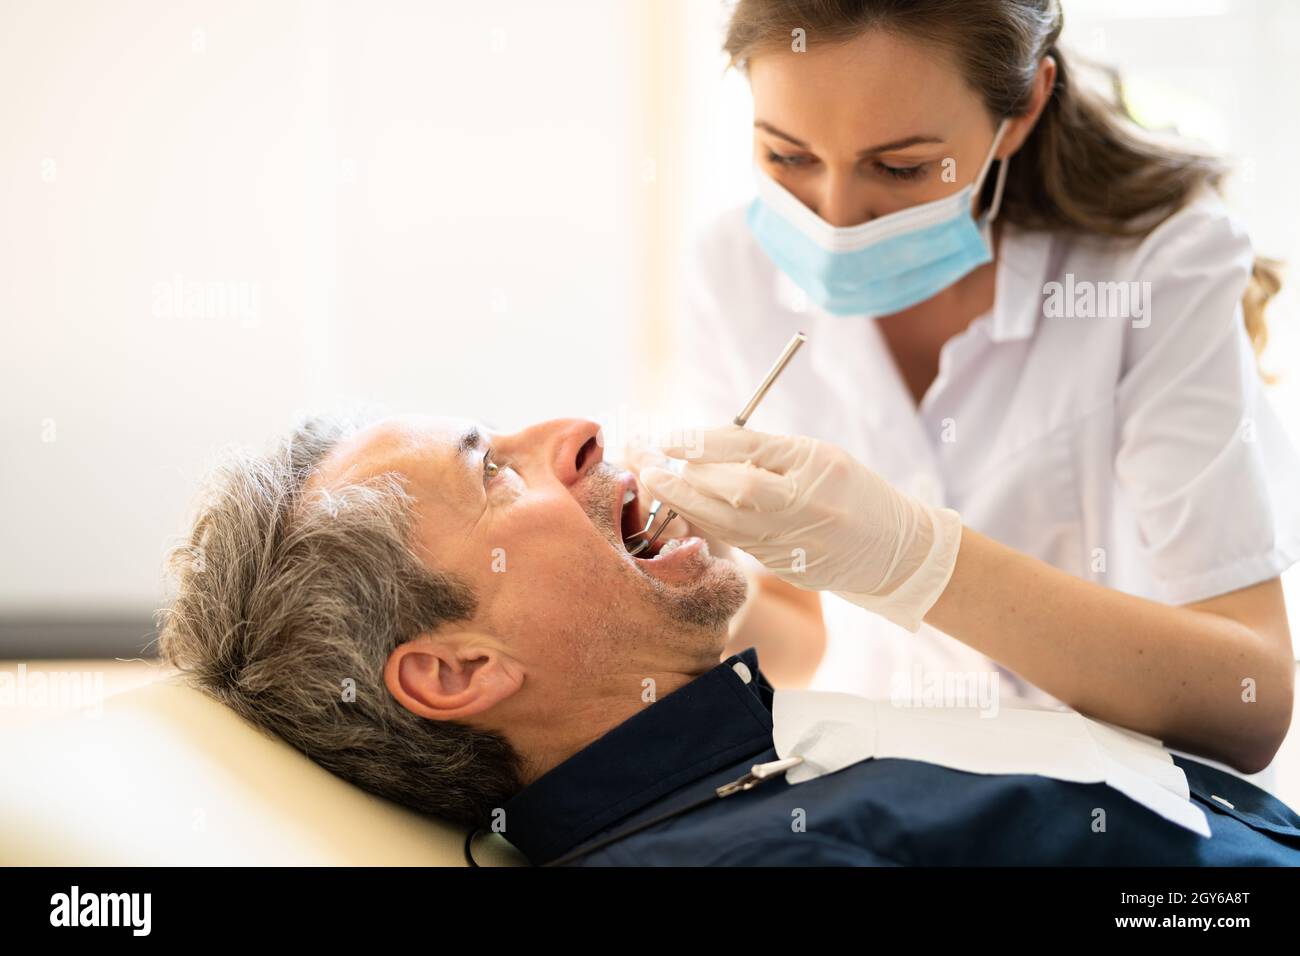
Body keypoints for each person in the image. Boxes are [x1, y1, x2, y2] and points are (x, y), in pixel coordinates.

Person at [157, 412, 1300, 865]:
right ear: (457, 669)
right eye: (495, 471)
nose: (576, 429)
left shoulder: (753, 766)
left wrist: (910, 556)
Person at [647, 0, 1299, 785]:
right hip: (900, 803)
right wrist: (680, 609)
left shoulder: (1153, 268)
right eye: (787, 156)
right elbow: (795, 619)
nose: (837, 218)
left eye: (901, 167)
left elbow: (1248, 700)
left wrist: (915, 558)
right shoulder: (732, 272)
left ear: (1020, 110)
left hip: (1139, 826)